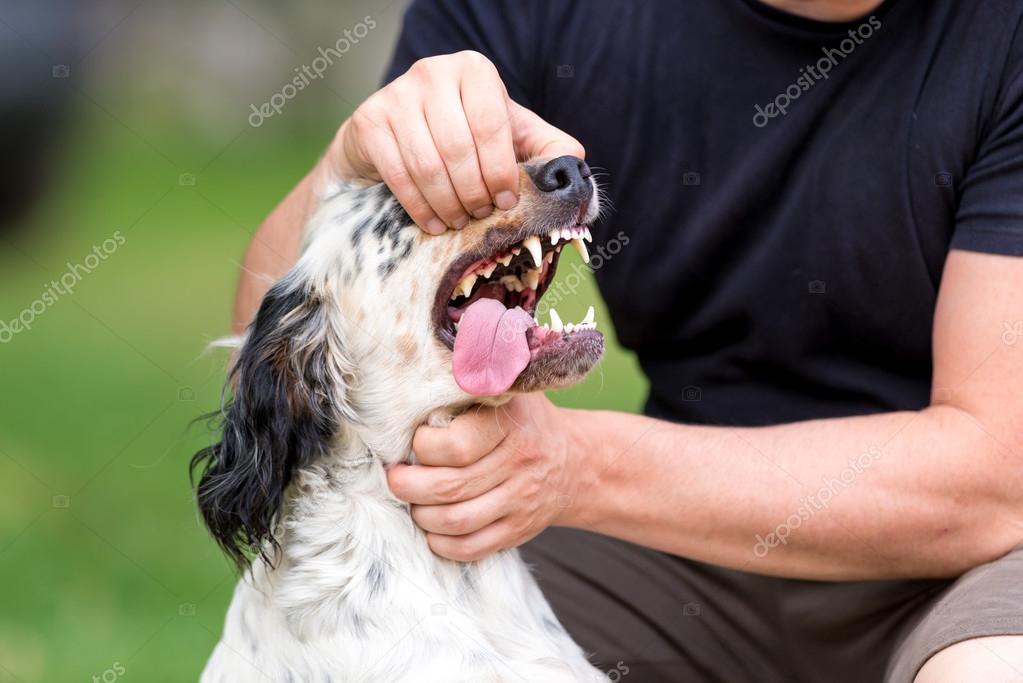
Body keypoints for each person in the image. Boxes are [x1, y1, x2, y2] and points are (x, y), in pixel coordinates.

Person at [233, 1, 1023, 681]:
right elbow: (266, 381)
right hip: (677, 539)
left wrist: (580, 467)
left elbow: (995, 481)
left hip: (974, 562)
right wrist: (344, 164)